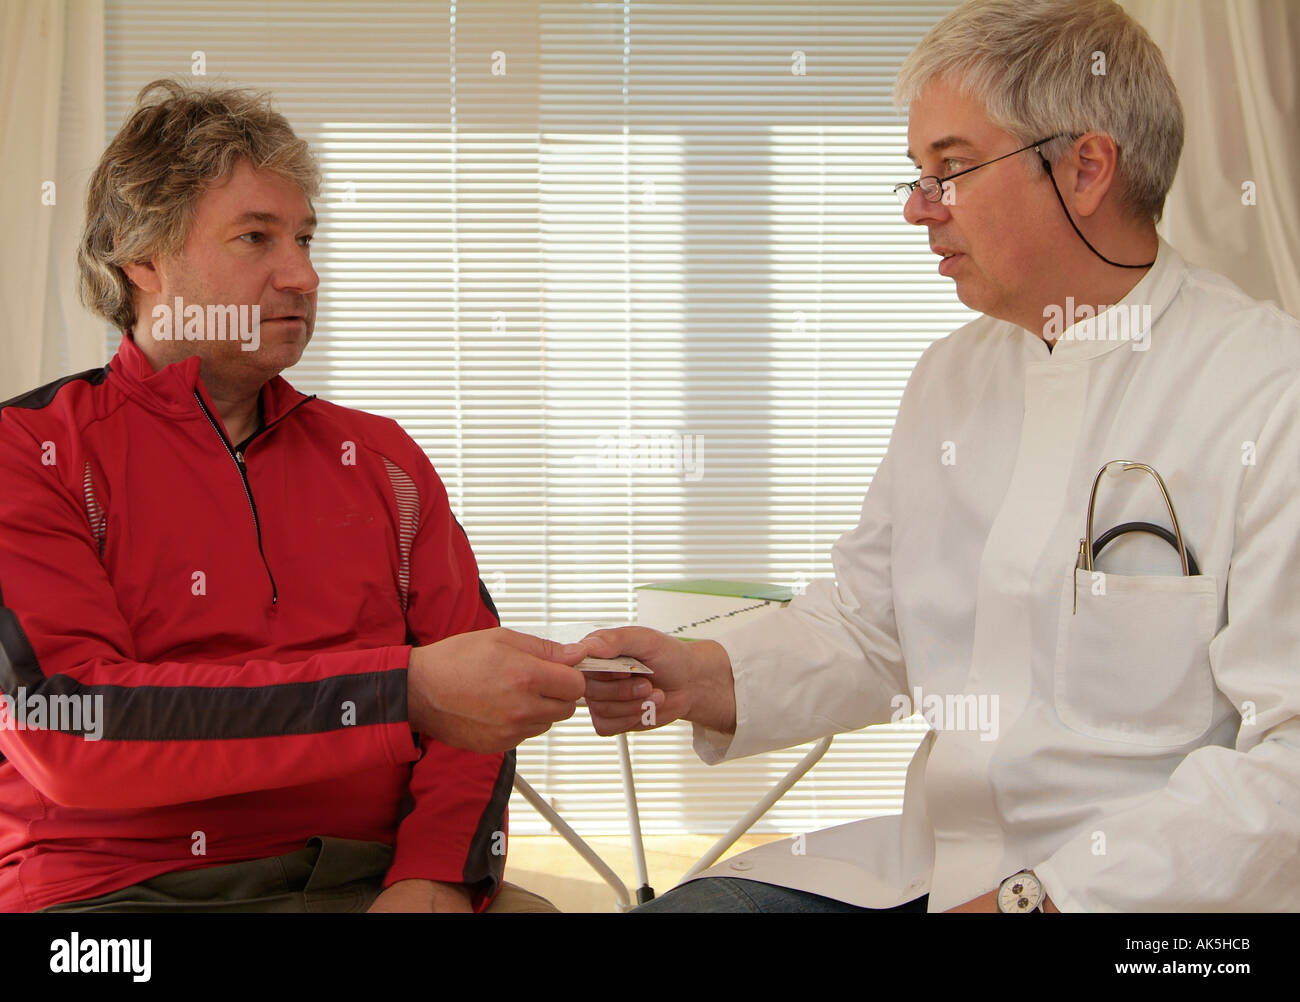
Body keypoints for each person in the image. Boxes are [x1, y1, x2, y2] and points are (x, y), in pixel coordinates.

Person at [584, 0, 1300, 912]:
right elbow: (872, 626)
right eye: (916, 176)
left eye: (952, 170)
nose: (919, 209)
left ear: (1086, 168)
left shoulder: (1271, 393)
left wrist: (1034, 904)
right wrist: (704, 678)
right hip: (933, 868)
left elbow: (1288, 768)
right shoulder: (950, 379)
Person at [0, 79, 589, 913]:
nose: (304, 275)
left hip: (371, 877)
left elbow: (474, 701)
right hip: (115, 893)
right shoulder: (30, 450)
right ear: (143, 259)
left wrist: (434, 878)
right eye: (256, 238)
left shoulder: (382, 458)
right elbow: (72, 727)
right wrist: (398, 692)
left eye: (307, 238)